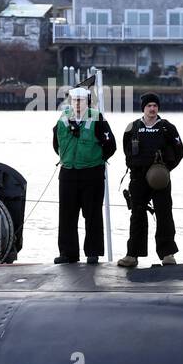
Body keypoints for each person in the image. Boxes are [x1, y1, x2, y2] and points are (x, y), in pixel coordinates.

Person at [117, 93, 183, 268]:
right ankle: (132, 254)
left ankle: (167, 254)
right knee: (137, 214)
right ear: (144, 108)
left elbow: (179, 151)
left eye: (155, 105)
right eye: (149, 106)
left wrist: (165, 170)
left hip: (160, 178)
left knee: (164, 214)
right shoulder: (132, 127)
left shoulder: (167, 128)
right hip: (138, 177)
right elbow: (126, 150)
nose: (152, 109)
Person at [53, 86, 116, 264]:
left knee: (93, 214)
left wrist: (97, 160)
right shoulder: (63, 119)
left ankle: (93, 252)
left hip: (92, 172)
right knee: (66, 215)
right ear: (71, 101)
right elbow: (55, 141)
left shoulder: (97, 118)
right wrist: (65, 157)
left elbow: (111, 145)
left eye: (81, 100)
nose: (78, 104)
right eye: (75, 100)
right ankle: (68, 253)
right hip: (68, 172)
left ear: (87, 101)